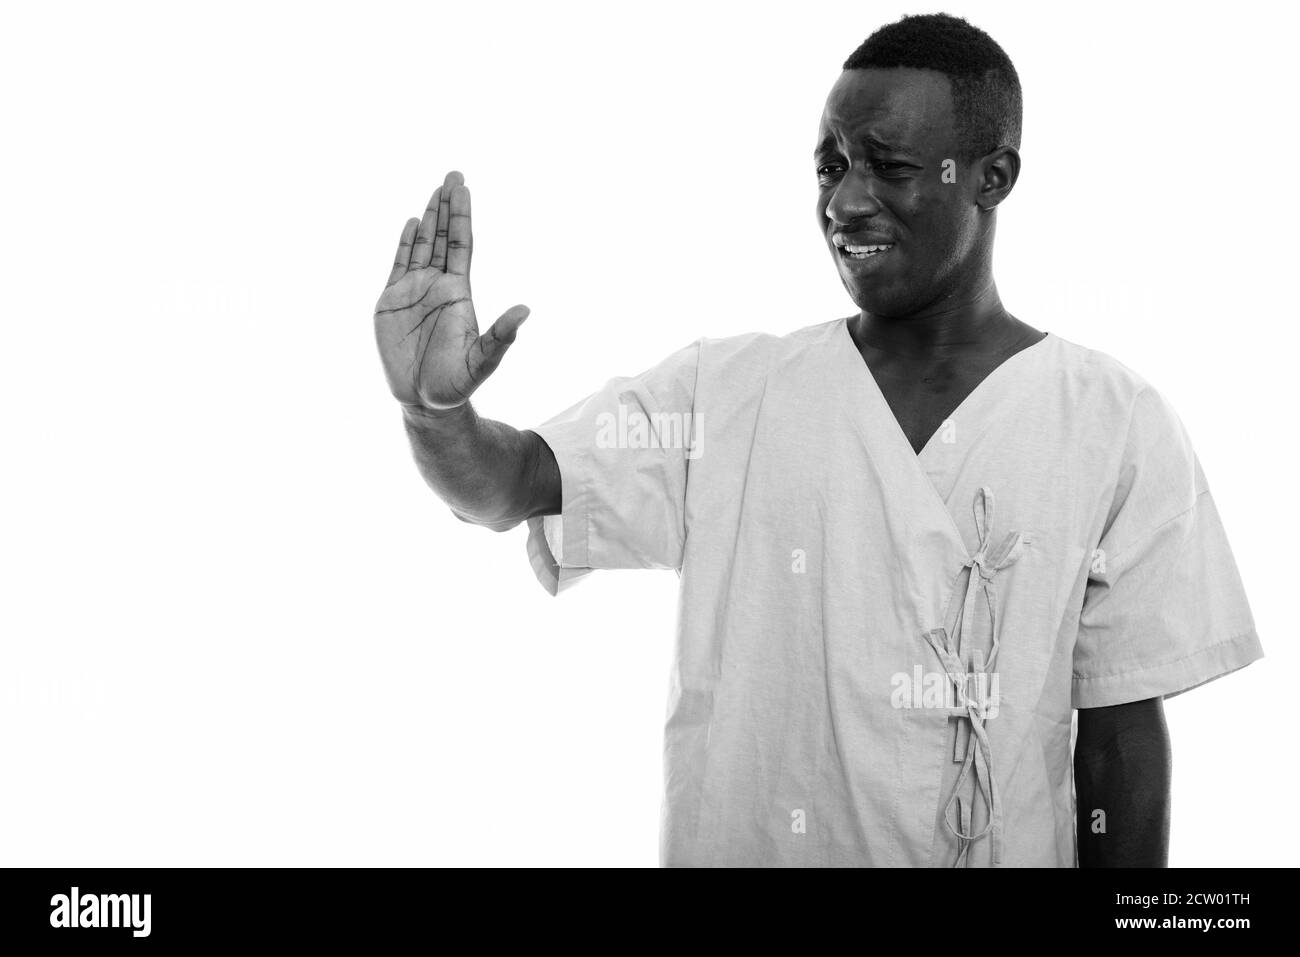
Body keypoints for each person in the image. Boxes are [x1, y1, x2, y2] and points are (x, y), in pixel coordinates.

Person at [372, 13, 1262, 867]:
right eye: (830, 164)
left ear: (991, 177)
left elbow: (1118, 744)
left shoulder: (1112, 421)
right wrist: (433, 414)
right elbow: (511, 482)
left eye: (890, 165)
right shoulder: (725, 397)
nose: (845, 199)